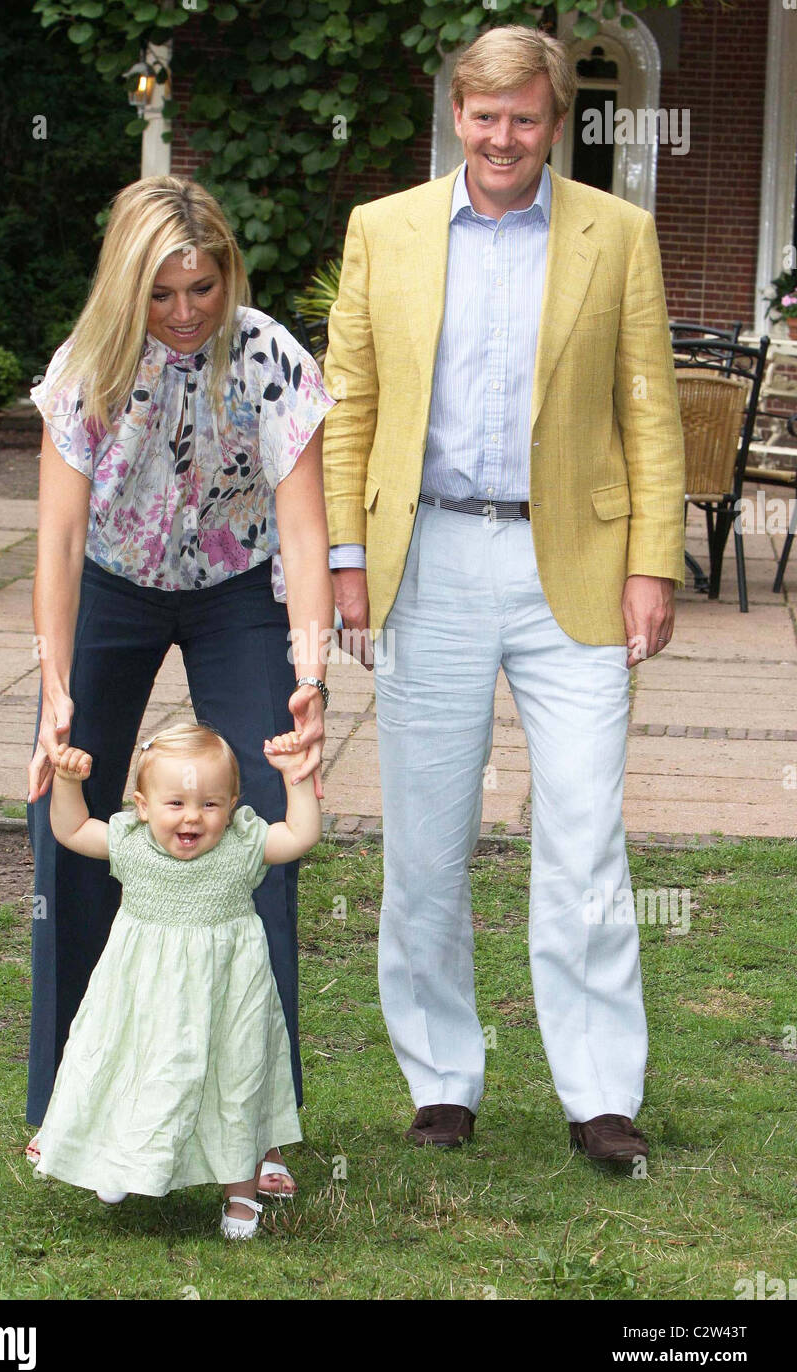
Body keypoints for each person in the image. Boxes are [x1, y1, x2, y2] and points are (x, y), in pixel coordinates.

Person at [322, 26, 685, 1160]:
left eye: (524, 118)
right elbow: (350, 408)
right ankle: (443, 1081)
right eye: (485, 117)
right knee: (425, 843)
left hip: (572, 563)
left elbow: (652, 414)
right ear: (457, 115)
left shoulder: (617, 234)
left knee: (585, 837)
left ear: (552, 120)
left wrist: (653, 562)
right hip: (426, 560)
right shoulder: (384, 231)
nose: (503, 138)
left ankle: (600, 1095)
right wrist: (343, 555)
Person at [25, 176, 335, 1199]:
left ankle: (255, 1123)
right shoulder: (86, 368)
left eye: (203, 286)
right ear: (128, 285)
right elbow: (61, 538)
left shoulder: (269, 359)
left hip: (235, 584)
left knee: (259, 832)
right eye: (163, 293)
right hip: (112, 585)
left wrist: (309, 663)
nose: (188, 312)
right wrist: (56, 681)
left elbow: (300, 524)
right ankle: (67, 1105)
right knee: (69, 811)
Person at [33, 724, 321, 1240]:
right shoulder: (132, 845)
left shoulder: (242, 846)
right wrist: (67, 783)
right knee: (134, 1067)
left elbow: (299, 836)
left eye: (210, 804)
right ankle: (119, 1159)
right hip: (143, 994)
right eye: (176, 803)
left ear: (232, 806)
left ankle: (241, 1194)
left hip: (228, 996)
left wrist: (296, 780)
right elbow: (72, 831)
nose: (192, 816)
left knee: (235, 1079)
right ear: (142, 806)